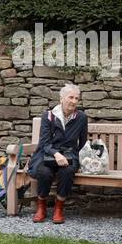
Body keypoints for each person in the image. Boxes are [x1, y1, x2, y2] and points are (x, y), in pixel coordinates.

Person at [28, 83, 88, 224]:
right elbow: (44, 143)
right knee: (43, 172)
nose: (73, 101)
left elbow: (83, 142)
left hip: (69, 155)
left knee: (67, 172)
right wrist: (56, 154)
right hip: (47, 154)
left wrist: (75, 157)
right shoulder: (48, 116)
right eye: (70, 97)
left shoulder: (81, 118)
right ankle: (41, 207)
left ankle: (59, 208)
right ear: (61, 98)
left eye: (76, 98)